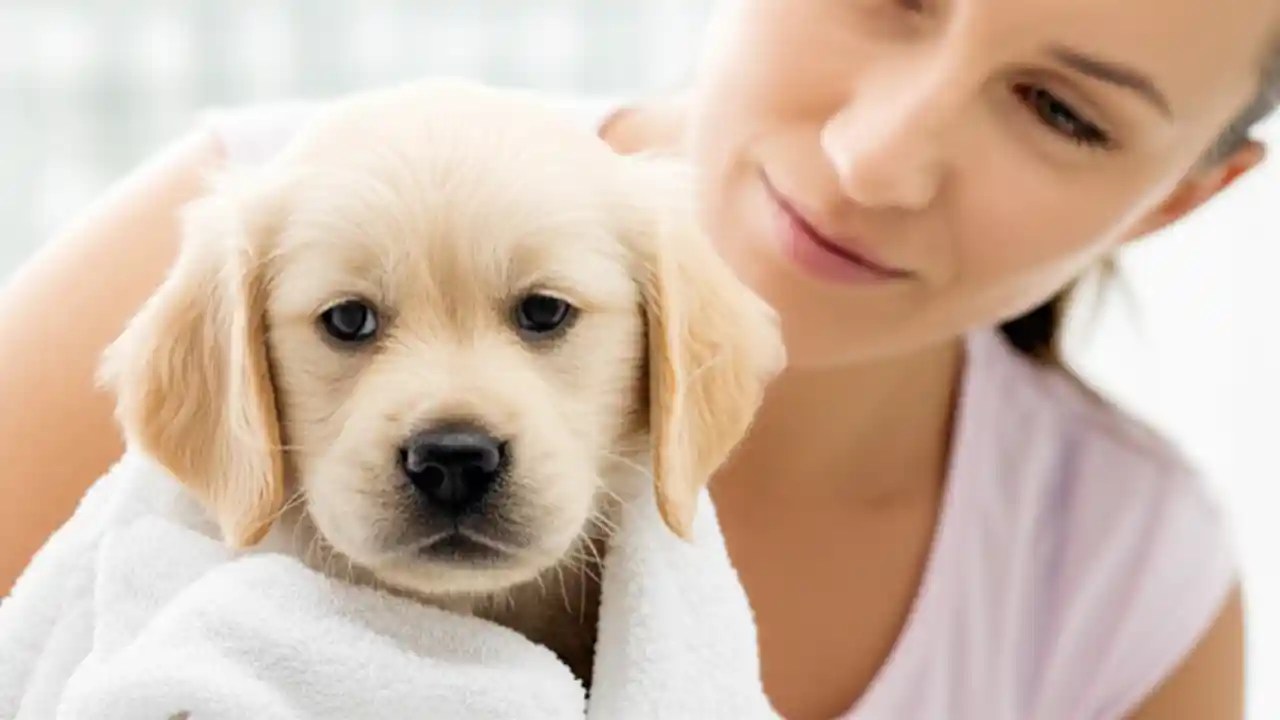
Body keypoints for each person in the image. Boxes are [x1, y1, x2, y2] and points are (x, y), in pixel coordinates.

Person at [2, 0, 1276, 717]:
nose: (876, 156)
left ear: (1176, 200)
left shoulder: (1123, 584)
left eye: (1060, 111)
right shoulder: (234, 227)